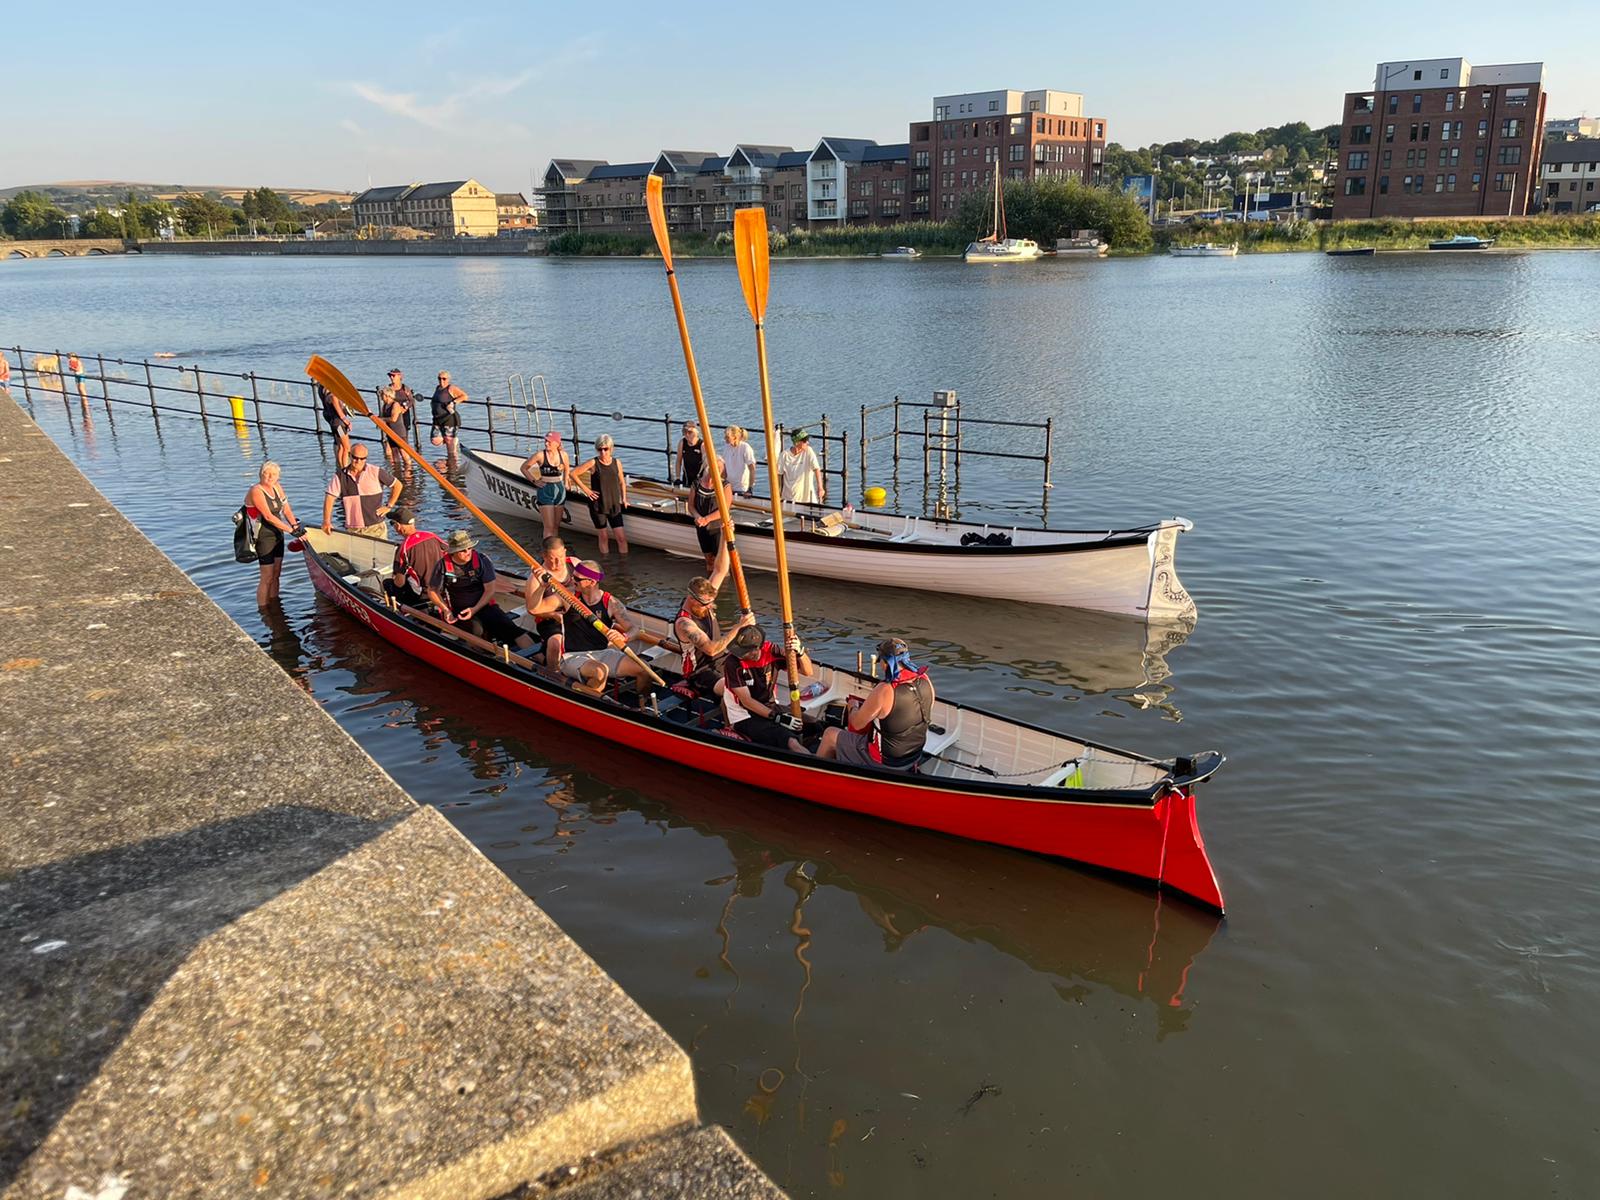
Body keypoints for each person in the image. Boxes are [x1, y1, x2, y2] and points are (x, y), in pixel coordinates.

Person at [818, 638, 935, 771]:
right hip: (914, 755)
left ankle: (816, 775)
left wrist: (853, 707)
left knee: (829, 734)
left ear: (886, 663)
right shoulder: (925, 679)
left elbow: (856, 724)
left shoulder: (885, 689)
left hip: (887, 762)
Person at [555, 560, 652, 696]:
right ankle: (588, 706)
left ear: (592, 582)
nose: (572, 580)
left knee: (645, 669)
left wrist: (624, 637)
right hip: (572, 656)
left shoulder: (611, 602)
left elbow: (634, 629)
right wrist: (540, 586)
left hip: (602, 653)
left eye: (577, 578)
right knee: (600, 671)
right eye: (573, 576)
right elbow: (534, 609)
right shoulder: (569, 597)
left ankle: (643, 706)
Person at [673, 544, 755, 696]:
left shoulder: (704, 600)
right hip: (701, 672)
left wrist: (725, 532)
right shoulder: (684, 623)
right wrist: (739, 626)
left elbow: (720, 569)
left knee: (758, 676)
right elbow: (711, 649)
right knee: (735, 692)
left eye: (711, 601)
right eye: (706, 603)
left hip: (723, 660)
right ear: (691, 599)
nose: (711, 605)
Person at [722, 624, 814, 752]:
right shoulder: (732, 663)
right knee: (790, 741)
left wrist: (800, 652)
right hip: (744, 716)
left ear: (757, 649)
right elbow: (747, 701)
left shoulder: (771, 651)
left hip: (770, 706)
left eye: (743, 651)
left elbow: (808, 672)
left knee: (814, 725)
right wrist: (778, 718)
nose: (739, 654)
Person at [440, 530, 534, 650]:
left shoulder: (481, 560)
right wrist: (445, 609)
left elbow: (490, 589)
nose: (467, 552)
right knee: (475, 630)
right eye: (463, 550)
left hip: (484, 605)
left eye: (469, 548)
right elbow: (433, 591)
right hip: (460, 611)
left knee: (511, 628)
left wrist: (474, 609)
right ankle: (478, 655)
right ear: (454, 552)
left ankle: (543, 662)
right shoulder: (442, 565)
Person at [244, 461, 300, 607]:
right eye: (266, 473)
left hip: (278, 534)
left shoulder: (277, 487)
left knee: (276, 574)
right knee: (267, 577)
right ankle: (263, 609)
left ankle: (275, 604)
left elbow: (286, 509)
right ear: (261, 474)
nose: (270, 477)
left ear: (278, 477)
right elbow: (268, 516)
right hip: (263, 536)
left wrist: (295, 525)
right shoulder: (256, 490)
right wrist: (291, 531)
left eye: (273, 474)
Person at [523, 534, 583, 669]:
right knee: (556, 643)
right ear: (544, 556)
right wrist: (554, 615)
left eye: (561, 557)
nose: (558, 563)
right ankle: (553, 672)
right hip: (550, 619)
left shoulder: (574, 563)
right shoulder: (536, 578)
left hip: (577, 613)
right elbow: (531, 609)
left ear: (565, 552)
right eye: (553, 559)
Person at [321, 443, 402, 539]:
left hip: (375, 526)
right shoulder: (340, 476)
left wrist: (389, 506)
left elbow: (397, 485)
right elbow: (329, 498)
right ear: (350, 455)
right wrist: (327, 521)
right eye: (355, 458)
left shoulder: (376, 472)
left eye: (362, 458)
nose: (358, 461)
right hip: (353, 528)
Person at [385, 510, 450, 612]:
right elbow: (449, 552)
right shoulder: (432, 536)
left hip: (423, 594)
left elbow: (399, 583)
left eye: (392, 524)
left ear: (398, 526)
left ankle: (400, 610)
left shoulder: (404, 548)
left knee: (388, 584)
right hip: (441, 587)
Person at [574, 434, 629, 554]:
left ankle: (624, 566)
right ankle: (605, 564)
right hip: (598, 505)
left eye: (606, 449)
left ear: (611, 448)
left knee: (621, 537)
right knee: (603, 537)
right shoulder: (593, 463)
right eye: (600, 449)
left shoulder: (617, 463)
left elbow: (621, 482)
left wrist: (624, 498)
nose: (603, 452)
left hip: (614, 504)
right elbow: (573, 474)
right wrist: (587, 490)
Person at [520, 429, 576, 541]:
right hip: (545, 489)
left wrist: (566, 482)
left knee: (556, 526)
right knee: (549, 527)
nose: (546, 443)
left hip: (559, 489)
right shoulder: (540, 455)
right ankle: (547, 550)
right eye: (545, 441)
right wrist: (535, 481)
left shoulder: (563, 455)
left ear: (557, 443)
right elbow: (524, 468)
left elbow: (566, 468)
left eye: (549, 441)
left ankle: (554, 549)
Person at [689, 453, 728, 573]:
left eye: (721, 469)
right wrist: (698, 517)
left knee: (719, 562)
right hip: (701, 526)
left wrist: (707, 519)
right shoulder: (696, 483)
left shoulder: (725, 486)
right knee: (709, 560)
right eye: (716, 468)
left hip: (716, 527)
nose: (719, 471)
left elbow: (724, 509)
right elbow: (691, 505)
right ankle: (709, 582)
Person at [779, 428, 825, 506]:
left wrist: (820, 488)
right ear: (797, 443)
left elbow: (816, 469)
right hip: (789, 498)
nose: (807, 442)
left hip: (808, 498)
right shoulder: (784, 455)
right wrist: (777, 493)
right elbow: (778, 475)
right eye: (804, 441)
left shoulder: (809, 451)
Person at [316, 381, 352, 464]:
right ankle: (344, 466)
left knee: (340, 446)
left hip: (334, 423)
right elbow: (340, 413)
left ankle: (341, 465)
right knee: (346, 447)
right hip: (339, 425)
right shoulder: (333, 397)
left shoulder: (326, 396)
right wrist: (347, 422)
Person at [430, 371, 465, 452]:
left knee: (450, 447)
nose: (441, 381)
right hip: (437, 419)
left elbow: (464, 396)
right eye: (439, 378)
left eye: (444, 379)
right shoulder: (438, 388)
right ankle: (453, 440)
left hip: (449, 419)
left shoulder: (451, 388)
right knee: (435, 440)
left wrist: (454, 402)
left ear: (448, 379)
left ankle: (452, 462)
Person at [723, 425, 757, 497]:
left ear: (734, 437)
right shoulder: (726, 447)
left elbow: (752, 469)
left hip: (741, 487)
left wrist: (750, 488)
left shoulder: (745, 448)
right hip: (728, 486)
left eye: (727, 437)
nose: (724, 439)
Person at [385, 368, 415, 441]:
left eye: (393, 376)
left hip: (404, 415)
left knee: (404, 438)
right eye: (390, 376)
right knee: (391, 439)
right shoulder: (388, 389)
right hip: (392, 416)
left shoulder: (405, 388)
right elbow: (385, 402)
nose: (391, 377)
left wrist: (406, 407)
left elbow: (411, 400)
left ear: (399, 376)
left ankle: (406, 451)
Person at [674, 420, 704, 488]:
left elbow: (706, 464)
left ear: (696, 432)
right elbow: (678, 460)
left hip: (699, 477)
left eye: (690, 432)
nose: (687, 435)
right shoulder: (682, 443)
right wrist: (678, 477)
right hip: (687, 476)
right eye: (684, 432)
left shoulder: (702, 445)